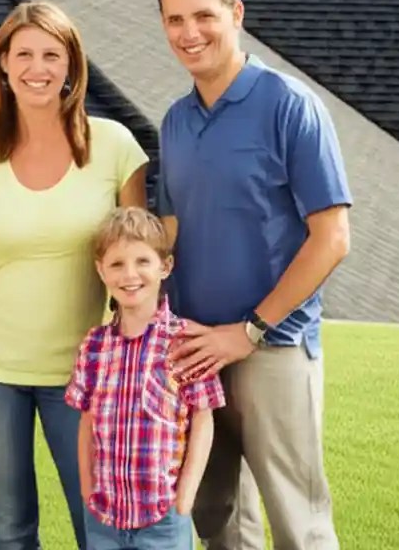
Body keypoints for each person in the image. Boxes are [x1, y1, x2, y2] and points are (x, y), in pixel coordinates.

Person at [0, 0, 150, 549]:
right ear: (2, 64)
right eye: (23, 54)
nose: (37, 68)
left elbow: (138, 272)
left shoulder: (115, 147)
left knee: (100, 526)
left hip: (87, 374)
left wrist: (137, 363)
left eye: (52, 54)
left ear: (72, 66)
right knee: (11, 529)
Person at [154, 0, 353, 550]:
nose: (190, 33)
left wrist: (250, 330)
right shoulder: (174, 121)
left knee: (300, 522)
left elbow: (333, 238)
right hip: (192, 349)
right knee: (217, 520)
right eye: (175, 20)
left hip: (273, 348)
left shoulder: (290, 106)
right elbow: (169, 234)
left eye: (204, 16)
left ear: (236, 13)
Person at [65, 207, 225, 550]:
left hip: (162, 517)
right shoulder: (94, 346)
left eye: (142, 261)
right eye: (117, 264)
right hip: (104, 515)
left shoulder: (184, 342)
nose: (130, 274)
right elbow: (87, 421)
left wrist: (185, 498)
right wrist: (86, 485)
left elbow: (202, 419)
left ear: (164, 267)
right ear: (100, 270)